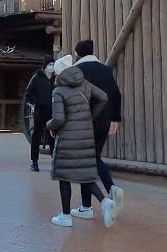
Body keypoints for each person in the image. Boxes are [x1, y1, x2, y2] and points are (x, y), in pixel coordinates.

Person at [46, 63, 114, 228]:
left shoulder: (58, 91)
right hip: (85, 134)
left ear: (58, 73)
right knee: (82, 172)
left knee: (64, 176)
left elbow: (59, 119)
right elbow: (103, 97)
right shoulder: (85, 83)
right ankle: (104, 202)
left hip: (68, 137)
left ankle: (66, 216)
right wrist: (90, 116)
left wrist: (48, 126)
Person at [73, 39, 125, 216]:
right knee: (93, 158)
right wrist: (115, 118)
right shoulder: (105, 70)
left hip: (83, 122)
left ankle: (89, 205)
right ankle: (101, 195)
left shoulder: (77, 71)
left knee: (85, 161)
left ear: (77, 54)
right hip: (104, 121)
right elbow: (116, 94)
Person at [24, 58, 58, 172]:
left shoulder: (56, 79)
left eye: (53, 64)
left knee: (53, 137)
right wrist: (37, 102)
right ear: (45, 66)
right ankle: (34, 162)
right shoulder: (37, 78)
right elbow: (29, 93)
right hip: (40, 111)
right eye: (49, 64)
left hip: (52, 111)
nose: (51, 66)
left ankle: (55, 162)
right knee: (36, 137)